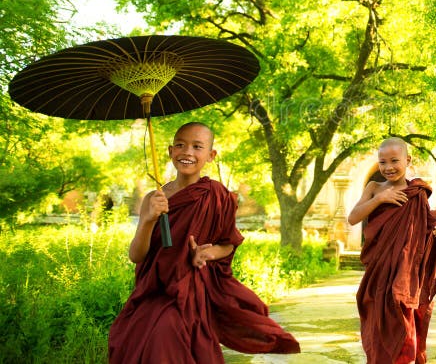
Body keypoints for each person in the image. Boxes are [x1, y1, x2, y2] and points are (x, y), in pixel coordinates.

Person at [108, 122, 300, 363]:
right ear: (170, 151)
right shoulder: (153, 199)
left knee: (168, 337)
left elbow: (228, 244)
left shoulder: (217, 196)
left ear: (211, 155)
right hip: (154, 290)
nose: (187, 152)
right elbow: (136, 255)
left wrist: (207, 254)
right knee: (132, 338)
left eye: (197, 147)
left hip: (189, 291)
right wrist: (148, 220)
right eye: (180, 145)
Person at [347, 137, 436, 364]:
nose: (388, 167)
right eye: (382, 162)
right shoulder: (374, 188)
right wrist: (380, 198)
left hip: (406, 271)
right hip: (379, 269)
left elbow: (423, 225)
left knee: (403, 313)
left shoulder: (416, 192)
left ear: (408, 160)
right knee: (378, 319)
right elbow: (353, 217)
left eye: (394, 160)